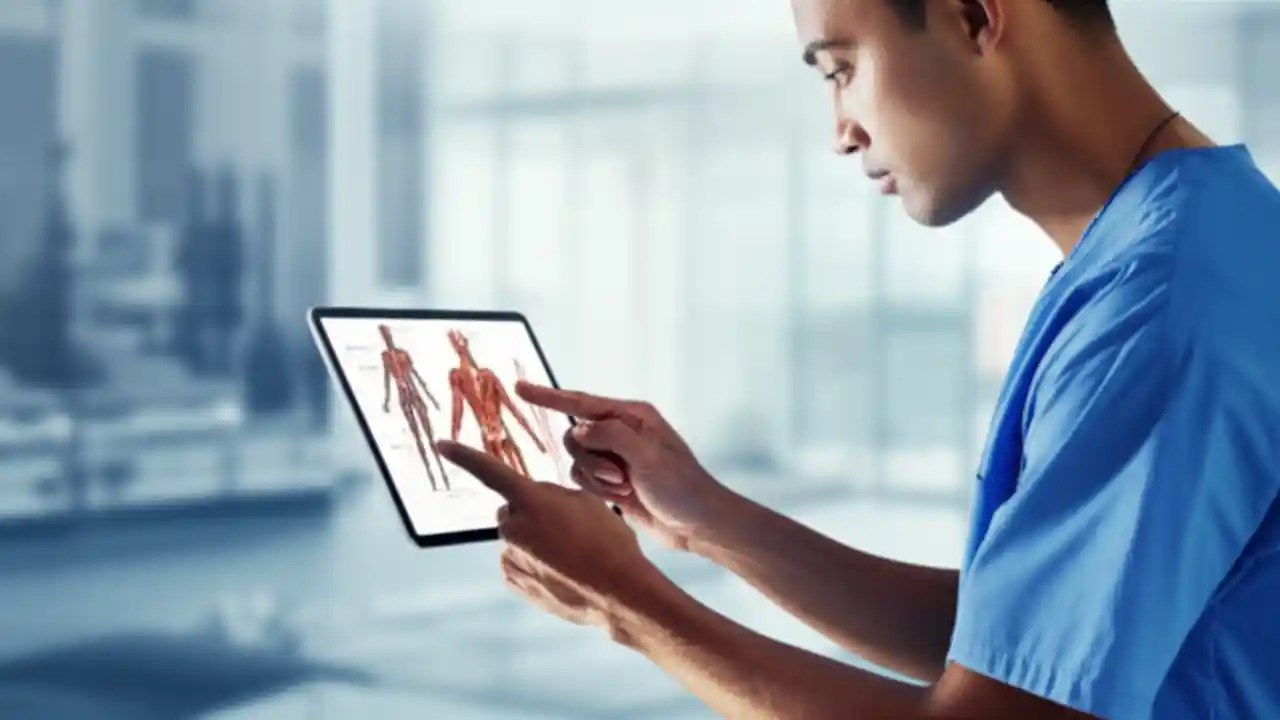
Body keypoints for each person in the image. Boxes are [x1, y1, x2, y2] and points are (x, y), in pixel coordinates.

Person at [436, 0, 1280, 717]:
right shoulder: (1200, 240)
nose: (842, 132)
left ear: (973, 16)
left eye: (840, 68)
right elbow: (1026, 644)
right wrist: (706, 519)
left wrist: (625, 602)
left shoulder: (1163, 302)